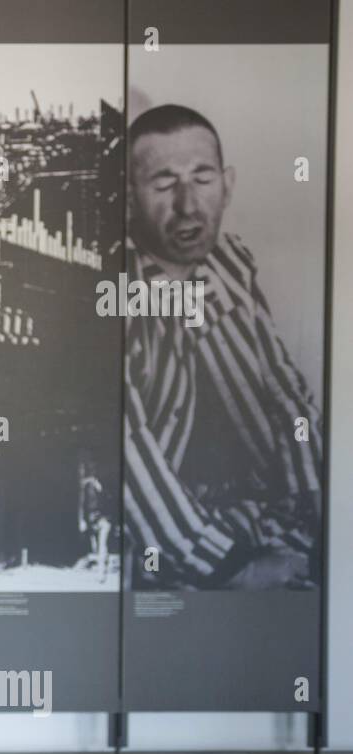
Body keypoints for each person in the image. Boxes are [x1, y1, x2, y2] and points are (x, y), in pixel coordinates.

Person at [125, 105, 322, 590]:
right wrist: (232, 568)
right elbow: (128, 451)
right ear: (128, 198)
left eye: (203, 177)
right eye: (165, 183)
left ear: (227, 185)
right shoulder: (111, 290)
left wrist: (316, 497)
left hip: (254, 517)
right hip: (160, 544)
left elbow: (285, 393)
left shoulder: (232, 260)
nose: (189, 204)